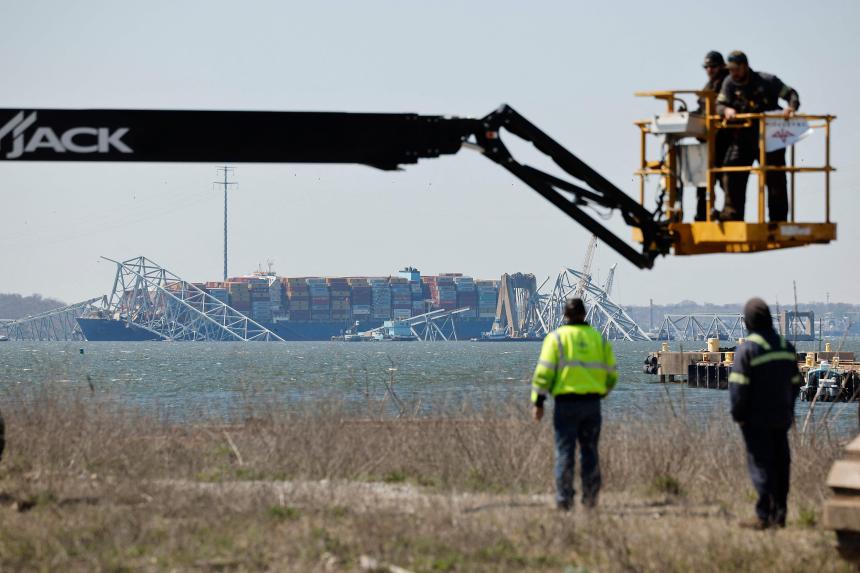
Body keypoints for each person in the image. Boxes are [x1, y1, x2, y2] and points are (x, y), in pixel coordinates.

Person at [531, 298, 617, 510]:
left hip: (565, 405)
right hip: (592, 404)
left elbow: (543, 373)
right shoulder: (598, 338)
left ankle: (564, 501)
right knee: (590, 452)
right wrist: (601, 393)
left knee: (564, 453)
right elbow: (612, 374)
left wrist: (538, 402)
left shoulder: (556, 338)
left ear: (565, 315)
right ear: (585, 314)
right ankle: (590, 501)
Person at [729, 297, 802, 529]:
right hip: (781, 417)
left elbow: (738, 388)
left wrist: (738, 416)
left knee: (762, 466)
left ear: (748, 322)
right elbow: (795, 383)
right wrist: (789, 410)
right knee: (781, 464)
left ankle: (764, 516)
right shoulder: (785, 346)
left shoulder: (747, 349)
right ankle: (780, 514)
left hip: (756, 419)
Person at [716, 51, 800, 222]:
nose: (733, 73)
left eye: (735, 69)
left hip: (770, 138)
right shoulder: (729, 83)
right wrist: (726, 110)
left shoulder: (767, 81)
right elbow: (719, 104)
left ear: (745, 66)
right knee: (732, 173)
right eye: (730, 70)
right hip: (743, 138)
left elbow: (791, 94)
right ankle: (732, 216)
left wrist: (791, 108)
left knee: (775, 177)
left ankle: (778, 219)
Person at [694, 51, 729, 221]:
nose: (709, 70)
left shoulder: (728, 84)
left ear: (721, 66)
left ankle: (728, 214)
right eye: (707, 67)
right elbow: (702, 110)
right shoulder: (708, 87)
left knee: (726, 179)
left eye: (713, 66)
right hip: (708, 141)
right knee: (704, 181)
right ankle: (702, 215)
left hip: (725, 140)